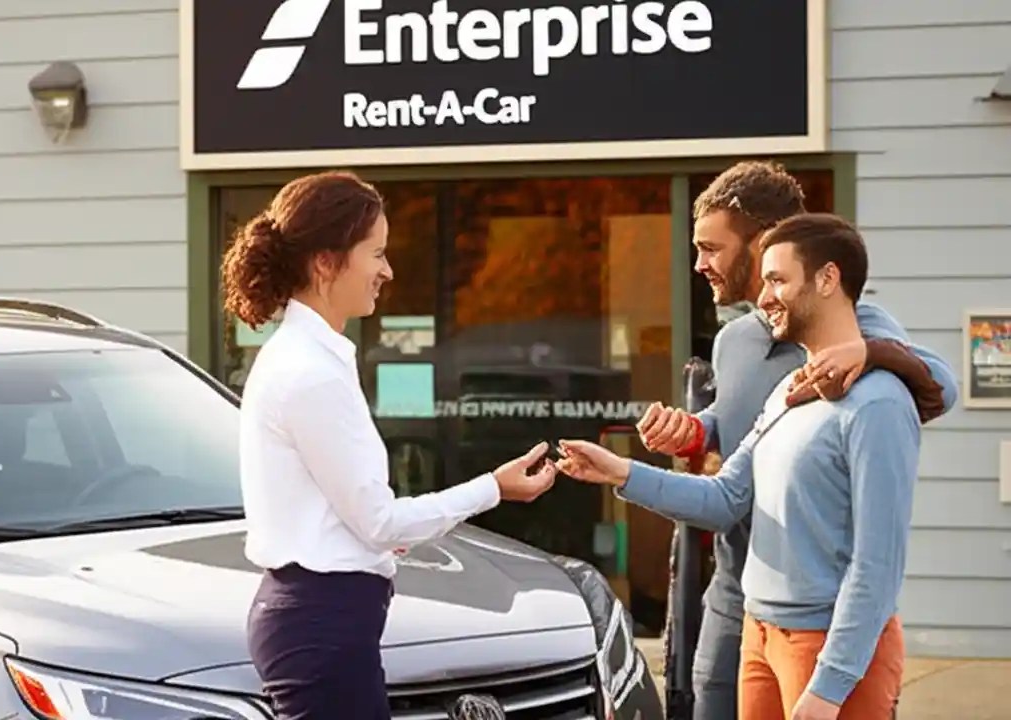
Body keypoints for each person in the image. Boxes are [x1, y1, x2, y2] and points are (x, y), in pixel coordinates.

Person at [556, 213, 923, 720]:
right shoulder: (788, 392)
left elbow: (877, 564)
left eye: (778, 280)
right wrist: (620, 471)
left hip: (825, 645)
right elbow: (725, 497)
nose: (764, 297)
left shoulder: (878, 404)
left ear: (827, 279)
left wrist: (831, 686)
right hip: (759, 633)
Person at [221, 170, 557, 719]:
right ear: (326, 262)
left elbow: (351, 519)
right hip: (322, 628)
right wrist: (493, 488)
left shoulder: (310, 359)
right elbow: (379, 522)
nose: (388, 270)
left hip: (321, 623)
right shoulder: (310, 372)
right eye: (376, 254)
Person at [634, 161, 956, 720]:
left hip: (817, 610)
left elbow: (940, 387)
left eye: (711, 248)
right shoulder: (733, 340)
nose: (700, 264)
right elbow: (743, 424)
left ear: (765, 242)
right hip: (735, 594)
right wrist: (695, 431)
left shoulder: (857, 325)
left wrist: (870, 352)